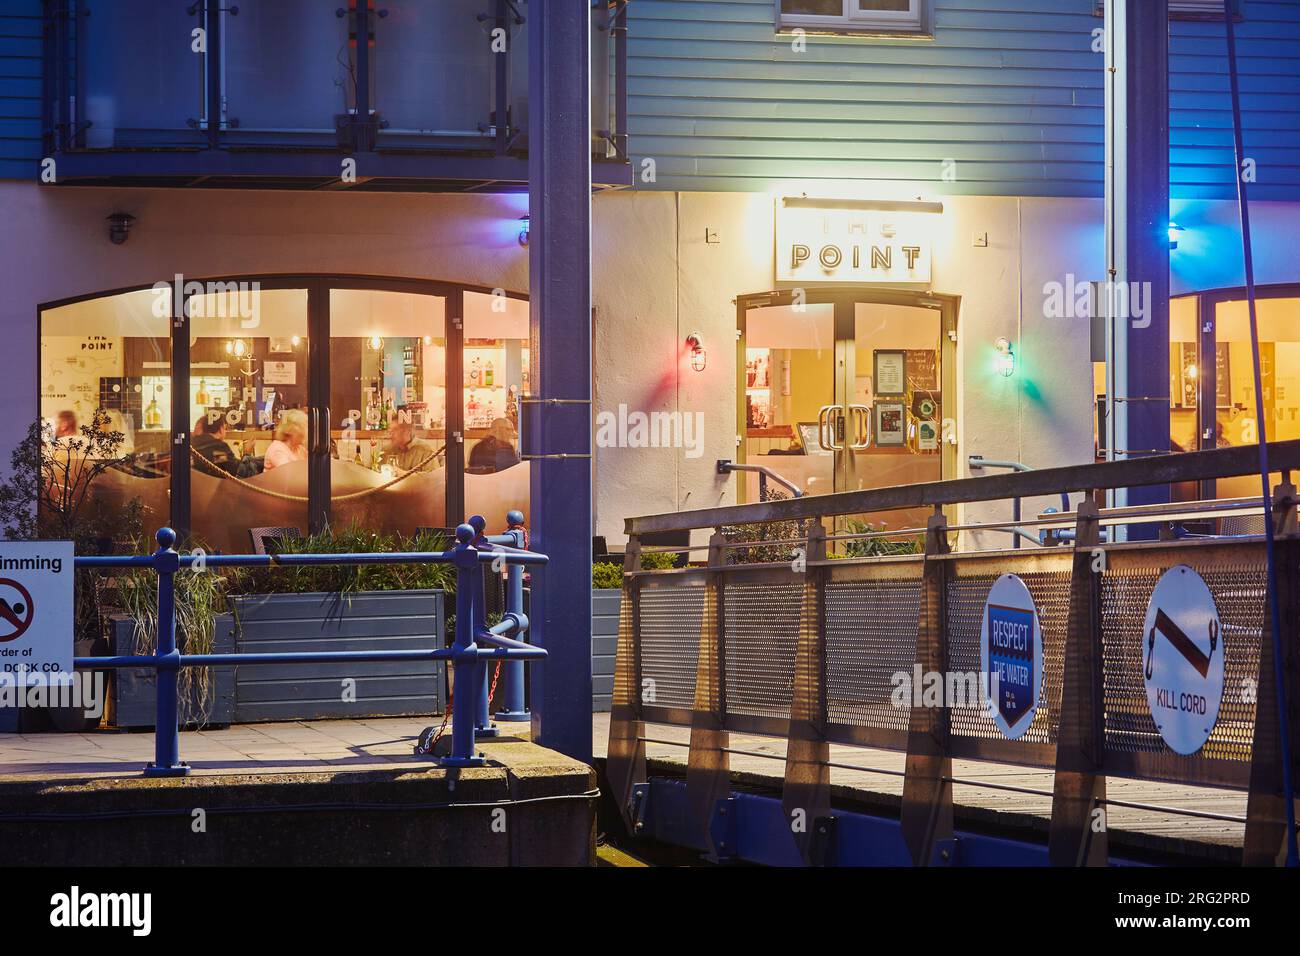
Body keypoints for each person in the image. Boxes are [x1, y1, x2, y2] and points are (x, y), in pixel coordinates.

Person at [192, 411, 238, 476]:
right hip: (212, 485)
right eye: (225, 428)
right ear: (221, 429)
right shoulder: (219, 447)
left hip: (193, 485)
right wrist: (247, 452)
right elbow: (237, 471)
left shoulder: (192, 443)